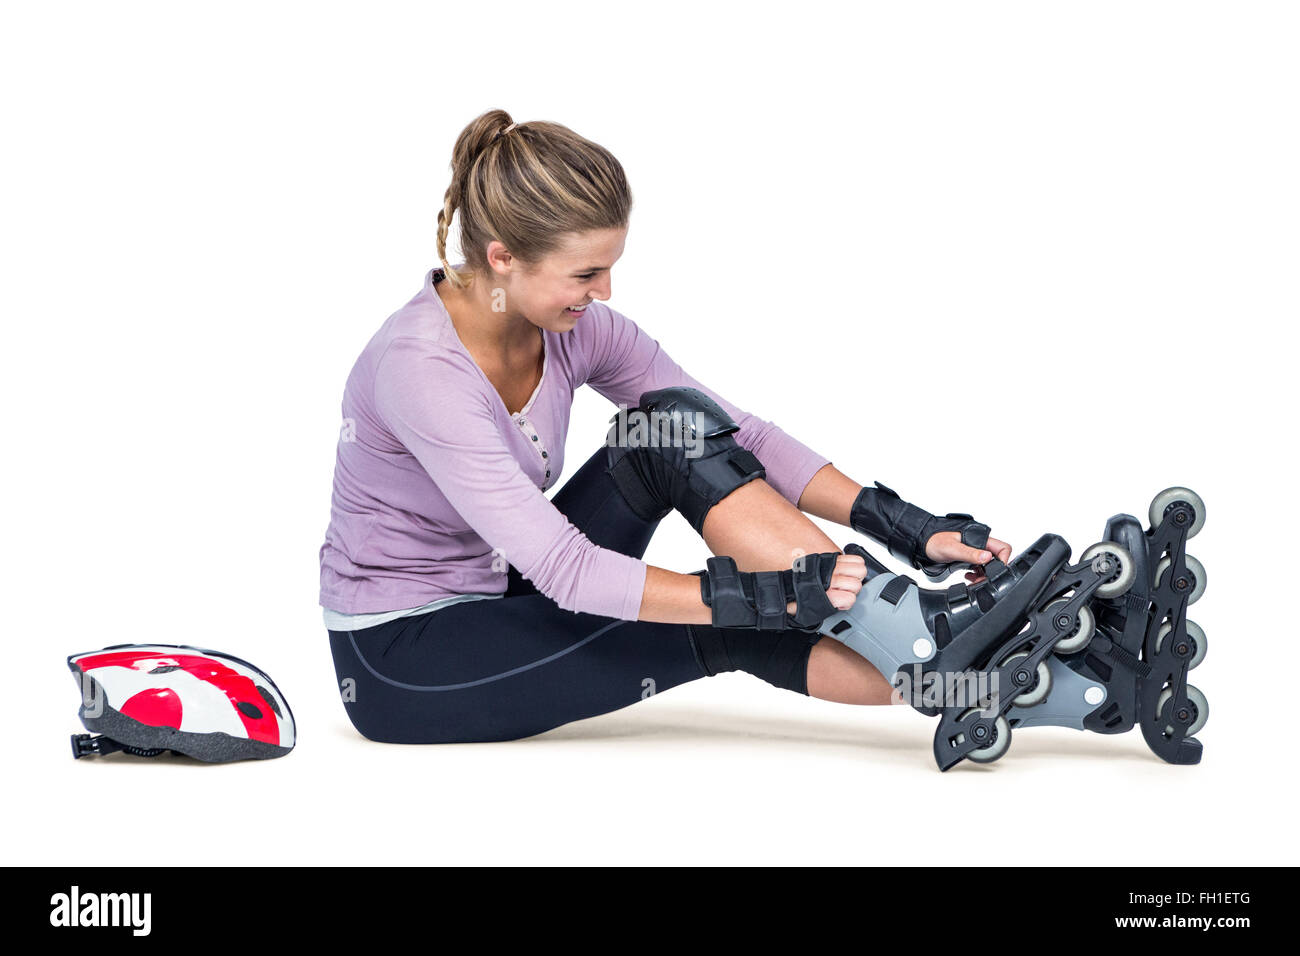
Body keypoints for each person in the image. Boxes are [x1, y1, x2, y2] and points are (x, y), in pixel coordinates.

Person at [318, 109, 1010, 745]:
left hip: (512, 588)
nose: (606, 293)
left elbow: (742, 436)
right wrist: (768, 594)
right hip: (404, 655)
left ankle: (929, 631)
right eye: (586, 273)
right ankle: (963, 665)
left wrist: (907, 525)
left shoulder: (572, 328)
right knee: (740, 626)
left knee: (667, 431)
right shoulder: (423, 373)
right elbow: (565, 569)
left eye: (611, 267)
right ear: (502, 259)